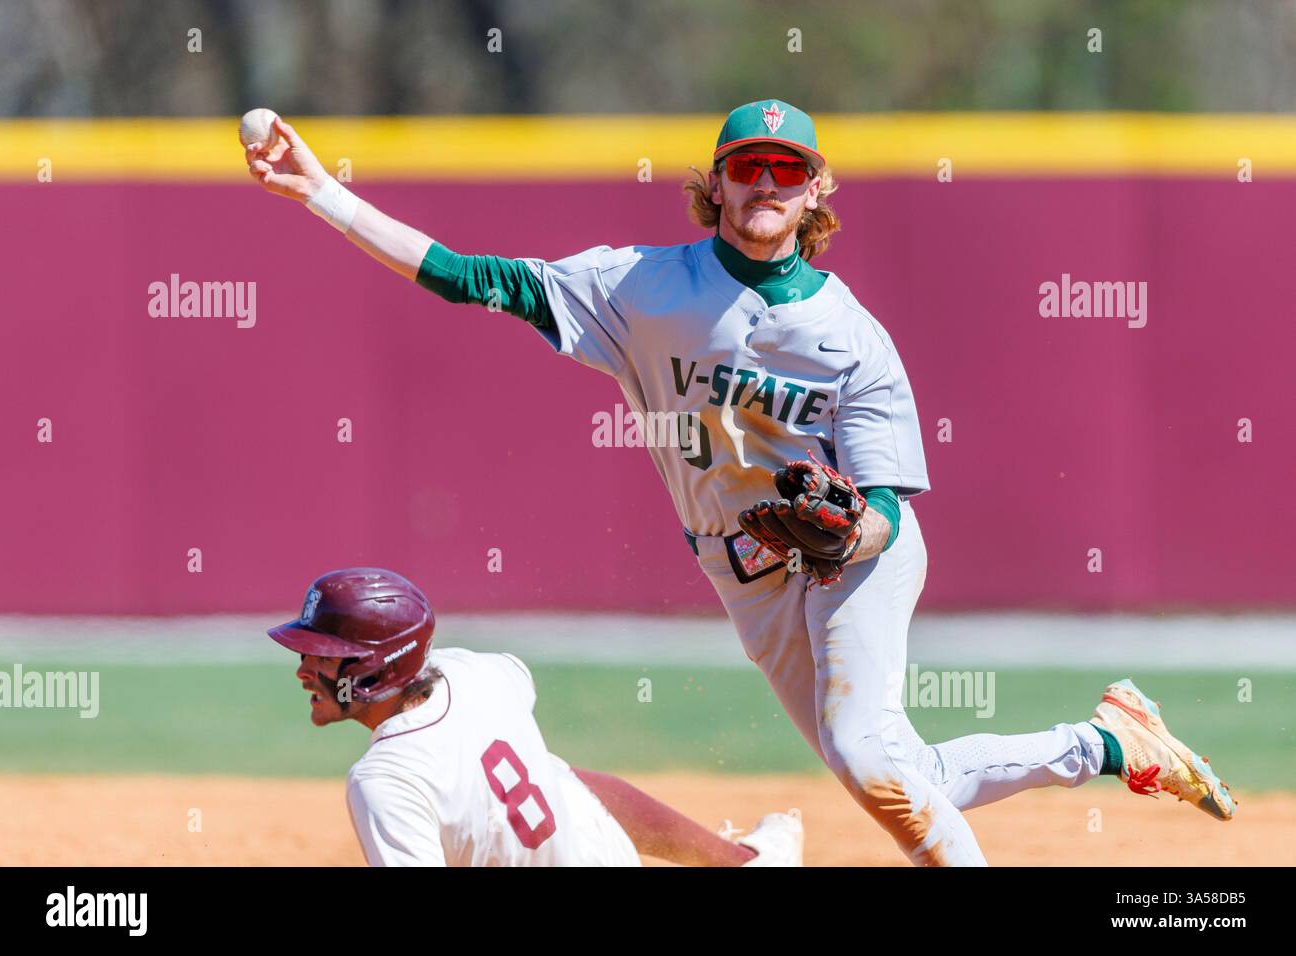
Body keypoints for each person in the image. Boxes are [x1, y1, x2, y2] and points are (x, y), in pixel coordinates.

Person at [246, 99, 1236, 866]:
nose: (765, 180)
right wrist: (319, 192)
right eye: (745, 165)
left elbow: (889, 506)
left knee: (866, 754)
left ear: (816, 190)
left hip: (849, 568)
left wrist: (853, 536)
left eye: (786, 168)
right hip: (743, 575)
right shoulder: (640, 286)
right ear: (713, 184)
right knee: (891, 769)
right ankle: (1105, 743)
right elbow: (470, 276)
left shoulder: (854, 340)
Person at [267, 567, 802, 867]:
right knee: (552, 776)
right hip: (606, 858)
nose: (303, 670)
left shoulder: (384, 780)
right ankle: (744, 863)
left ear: (374, 669)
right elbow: (512, 684)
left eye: (321, 655)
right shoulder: (477, 673)